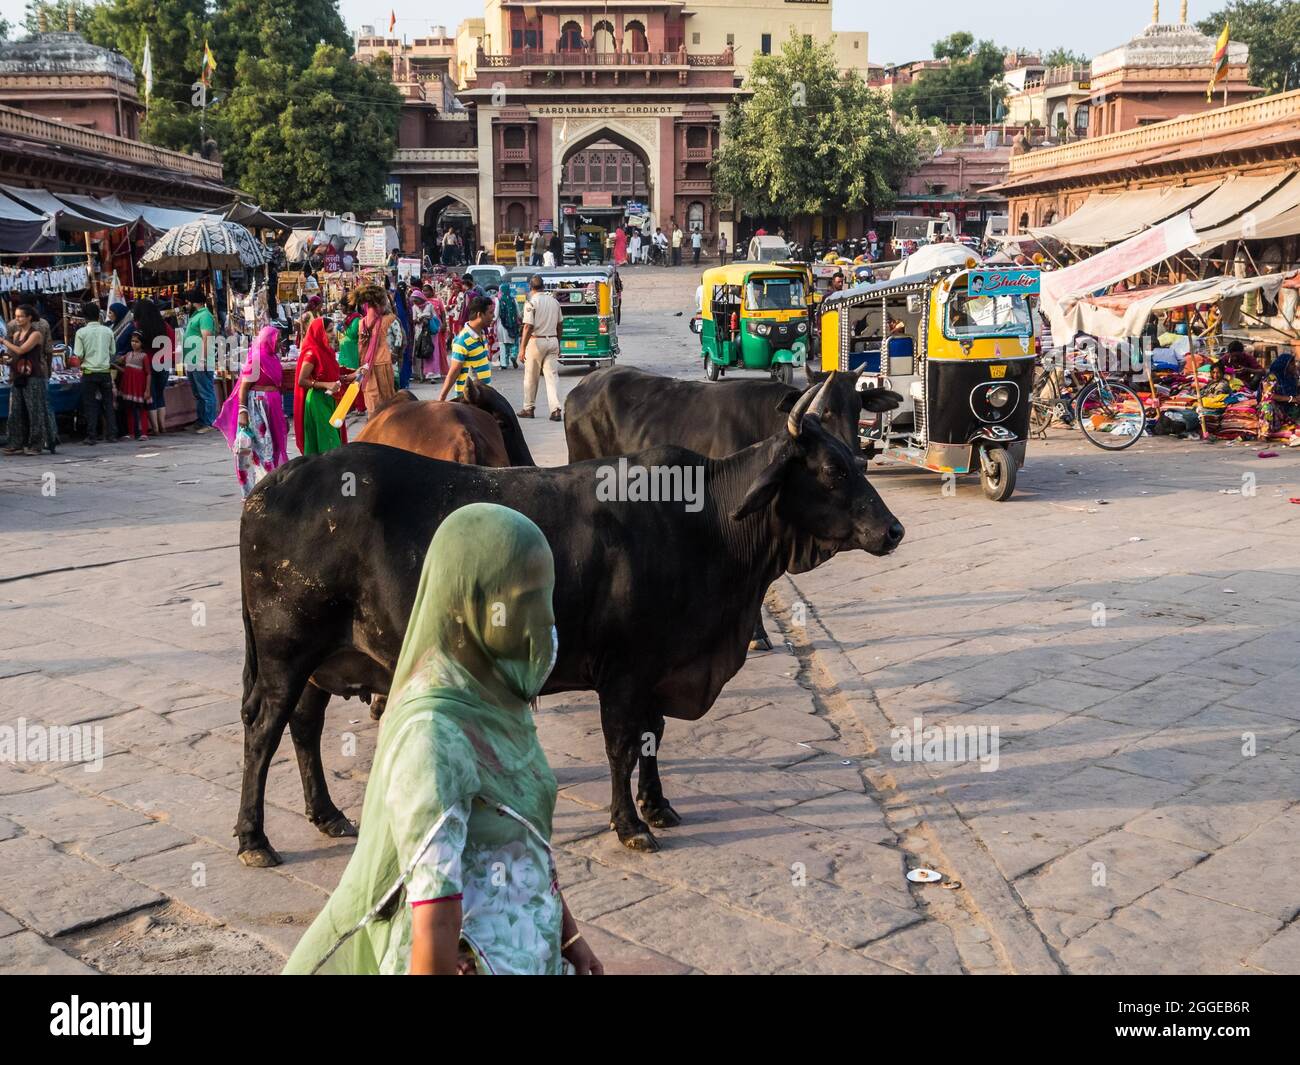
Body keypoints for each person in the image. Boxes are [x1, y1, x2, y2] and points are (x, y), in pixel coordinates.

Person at [283, 503, 603, 976]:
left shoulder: (493, 696)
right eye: (524, 599)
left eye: (546, 597)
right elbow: (434, 919)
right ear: (465, 602)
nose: (542, 619)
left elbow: (524, 844)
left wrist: (570, 939)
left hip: (533, 950)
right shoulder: (433, 735)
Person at [214, 324, 289, 497]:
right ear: (267, 340)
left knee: (276, 443)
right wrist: (243, 411)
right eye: (277, 340)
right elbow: (244, 386)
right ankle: (262, 486)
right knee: (262, 445)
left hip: (274, 405)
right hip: (258, 405)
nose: (279, 344)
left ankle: (274, 482)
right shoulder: (257, 357)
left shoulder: (274, 358)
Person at [294, 316, 351, 455]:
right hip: (317, 401)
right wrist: (326, 385)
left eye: (333, 330)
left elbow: (332, 377)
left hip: (330, 399)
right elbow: (302, 380)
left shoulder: (327, 351)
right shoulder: (311, 352)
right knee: (330, 443)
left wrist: (352, 375)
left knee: (332, 438)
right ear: (320, 332)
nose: (333, 334)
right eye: (329, 331)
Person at [1, 304, 53, 456]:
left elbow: (21, 350)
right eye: (16, 316)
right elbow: (15, 356)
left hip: (34, 376)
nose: (17, 319)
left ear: (29, 317)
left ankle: (36, 444)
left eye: (20, 316)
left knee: (34, 410)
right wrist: (6, 360)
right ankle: (16, 443)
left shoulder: (35, 334)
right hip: (19, 375)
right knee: (16, 411)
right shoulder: (16, 335)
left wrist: (4, 341)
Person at [516, 274, 563, 422]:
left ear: (531, 287)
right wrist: (558, 343)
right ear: (543, 286)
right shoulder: (554, 302)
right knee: (552, 377)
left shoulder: (531, 303)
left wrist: (522, 348)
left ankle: (529, 408)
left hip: (536, 342)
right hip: (552, 340)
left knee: (531, 376)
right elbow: (560, 324)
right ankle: (555, 410)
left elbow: (528, 326)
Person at [75, 300, 117, 445]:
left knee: (90, 404)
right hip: (105, 371)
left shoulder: (81, 332)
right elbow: (113, 352)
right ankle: (112, 434)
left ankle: (91, 435)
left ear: (85, 317)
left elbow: (79, 354)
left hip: (89, 372)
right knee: (108, 403)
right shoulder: (108, 331)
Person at [438, 294, 493, 401]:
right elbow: (454, 371)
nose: (493, 316)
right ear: (479, 314)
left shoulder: (481, 334)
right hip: (470, 399)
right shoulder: (462, 341)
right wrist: (442, 397)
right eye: (490, 313)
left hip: (483, 395)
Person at [134, 299, 173, 437]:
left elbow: (136, 346)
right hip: (164, 363)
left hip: (147, 364)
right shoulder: (164, 325)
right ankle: (163, 427)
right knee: (160, 394)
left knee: (151, 396)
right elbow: (172, 342)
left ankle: (155, 429)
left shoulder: (139, 326)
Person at [183, 290, 218, 433]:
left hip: (200, 360)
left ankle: (209, 423)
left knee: (206, 392)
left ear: (193, 301)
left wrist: (203, 358)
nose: (186, 304)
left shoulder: (205, 316)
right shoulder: (195, 315)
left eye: (188, 301)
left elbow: (206, 338)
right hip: (192, 360)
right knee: (198, 393)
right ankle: (201, 420)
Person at [117, 329, 153, 441]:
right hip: (128, 386)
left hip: (139, 387)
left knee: (141, 410)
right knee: (130, 409)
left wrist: (147, 390)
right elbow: (125, 369)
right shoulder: (127, 355)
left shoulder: (144, 356)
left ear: (142, 343)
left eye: (137, 341)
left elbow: (148, 374)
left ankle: (143, 432)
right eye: (132, 341)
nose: (134, 343)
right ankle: (132, 432)